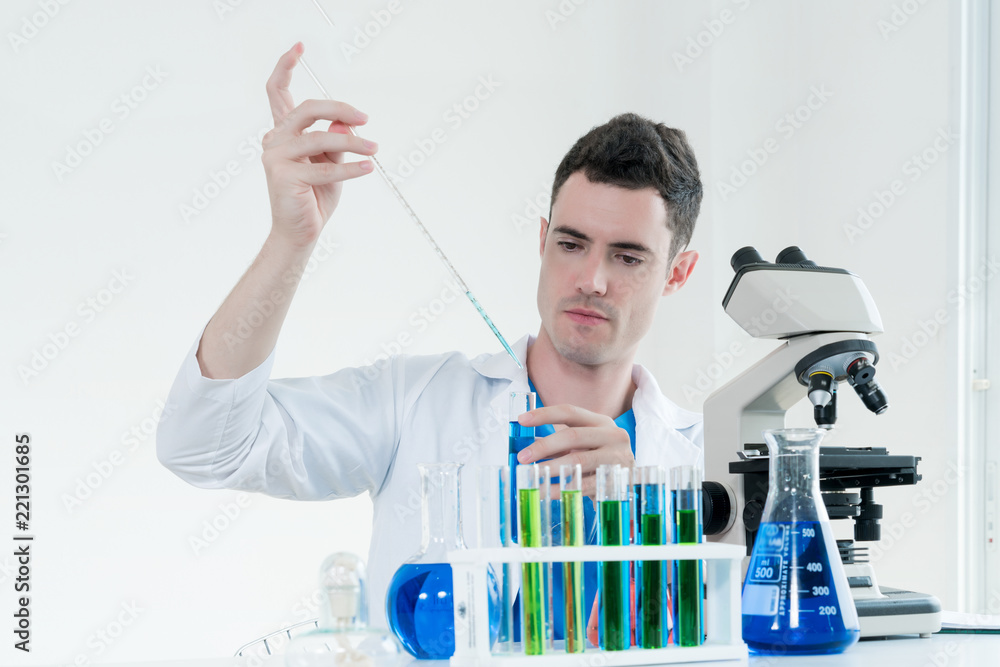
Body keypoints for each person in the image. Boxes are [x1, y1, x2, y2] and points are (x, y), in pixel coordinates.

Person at [156, 42, 705, 634]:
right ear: (543, 239)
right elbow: (204, 446)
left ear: (678, 273)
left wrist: (644, 504)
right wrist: (291, 240)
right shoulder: (415, 403)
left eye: (628, 257)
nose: (591, 280)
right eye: (571, 244)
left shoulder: (704, 463)